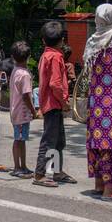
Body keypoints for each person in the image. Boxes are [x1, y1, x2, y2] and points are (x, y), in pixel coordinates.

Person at [82, 3, 112, 201]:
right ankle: (110, 190)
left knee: (98, 141)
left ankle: (99, 184)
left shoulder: (93, 43)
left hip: (96, 100)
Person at [33, 21, 73, 187]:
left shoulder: (45, 55)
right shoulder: (56, 57)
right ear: (62, 40)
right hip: (54, 104)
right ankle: (40, 174)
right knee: (50, 141)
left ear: (43, 40)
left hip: (49, 103)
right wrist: (64, 102)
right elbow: (55, 84)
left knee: (57, 141)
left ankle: (55, 171)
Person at [7, 41, 35, 178]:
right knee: (18, 140)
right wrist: (34, 111)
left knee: (21, 139)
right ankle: (17, 167)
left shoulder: (15, 71)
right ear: (28, 57)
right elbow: (26, 96)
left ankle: (22, 166)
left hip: (17, 112)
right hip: (21, 113)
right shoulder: (24, 75)